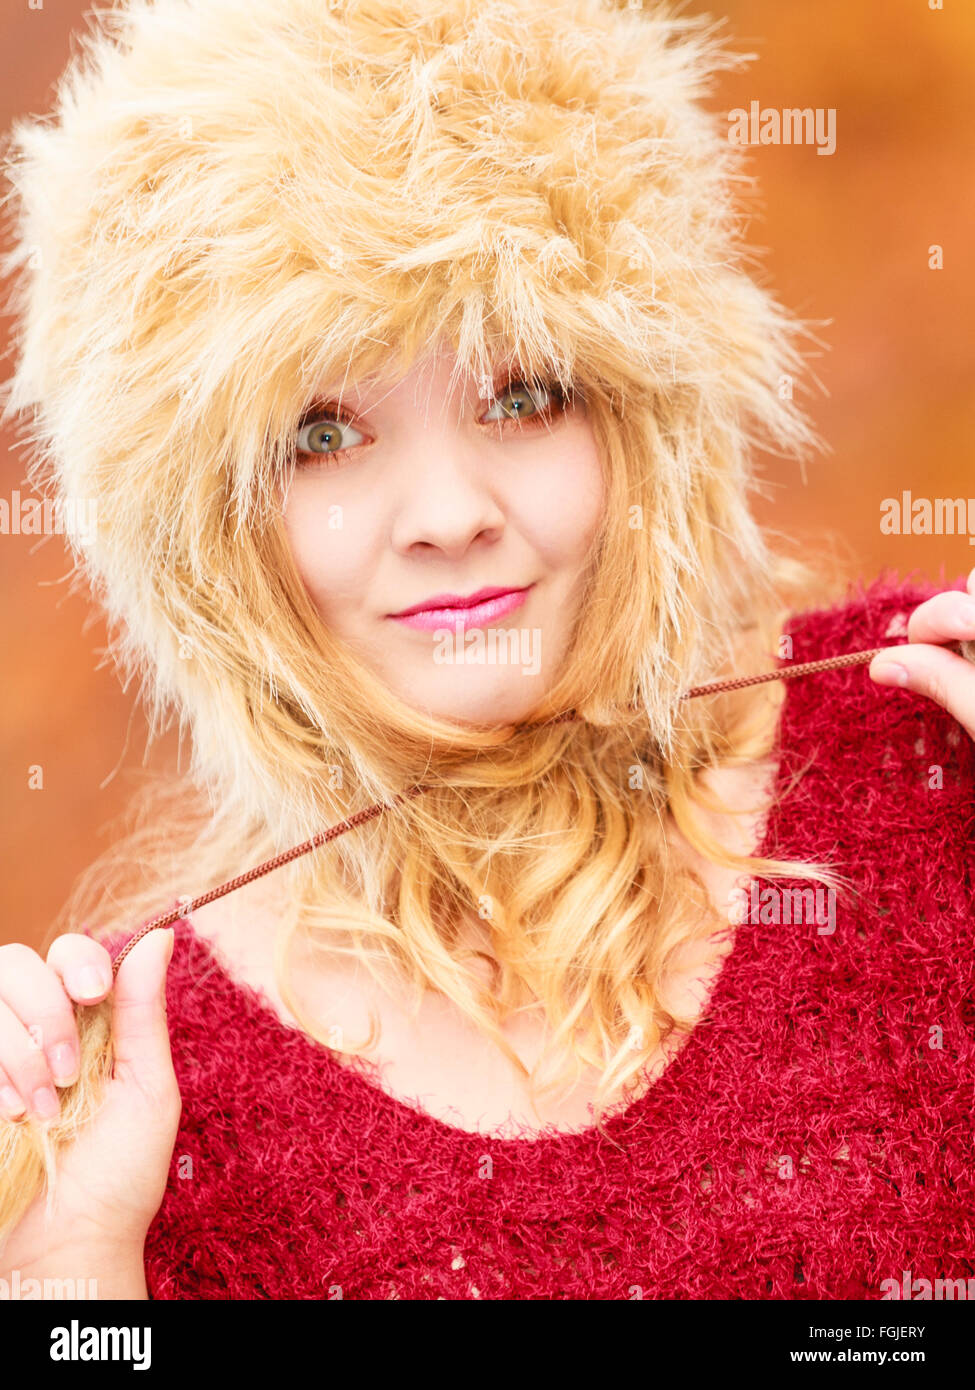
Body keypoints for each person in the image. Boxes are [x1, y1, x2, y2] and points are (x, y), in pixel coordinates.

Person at [1, 0, 973, 1300]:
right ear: (211, 529)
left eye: (522, 395)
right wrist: (66, 1274)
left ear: (641, 423)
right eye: (325, 431)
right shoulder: (140, 1085)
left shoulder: (930, 740)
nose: (451, 513)